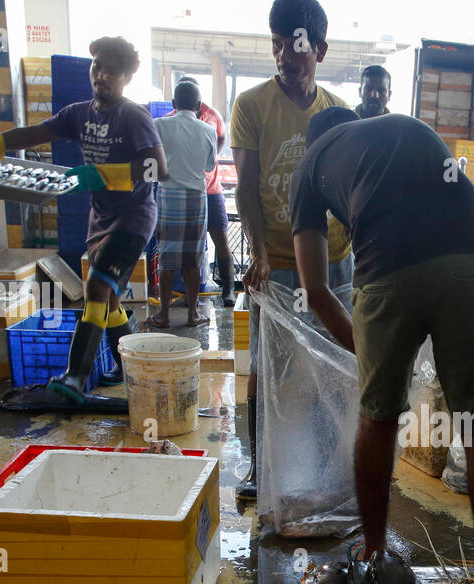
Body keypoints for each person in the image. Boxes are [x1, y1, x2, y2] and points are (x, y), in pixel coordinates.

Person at [289, 108, 474, 557]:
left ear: (316, 140)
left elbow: (314, 289)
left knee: (379, 416)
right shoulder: (402, 125)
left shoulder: (310, 163)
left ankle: (374, 552)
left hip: (387, 271)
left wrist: (369, 356)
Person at [0, 37, 165, 401]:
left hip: (134, 218)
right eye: (97, 67)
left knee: (96, 286)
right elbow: (32, 134)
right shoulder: (79, 113)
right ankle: (128, 365)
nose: (102, 75)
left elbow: (158, 168)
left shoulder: (133, 116)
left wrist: (100, 175)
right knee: (107, 298)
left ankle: (74, 379)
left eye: (112, 70)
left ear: (126, 77)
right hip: (101, 218)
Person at [231, 0, 355, 500]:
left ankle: (329, 469)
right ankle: (261, 470)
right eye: (278, 44)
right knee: (266, 369)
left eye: (297, 45)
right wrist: (258, 252)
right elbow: (245, 187)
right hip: (278, 265)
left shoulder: (336, 111)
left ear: (320, 50)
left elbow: (350, 194)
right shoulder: (251, 105)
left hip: (335, 260)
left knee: (334, 363)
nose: (285, 55)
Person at [152, 79, 217, 328]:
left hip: (169, 195)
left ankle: (164, 315)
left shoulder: (159, 125)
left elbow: (152, 160)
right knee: (193, 259)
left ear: (173, 104)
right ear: (199, 105)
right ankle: (193, 315)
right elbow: (209, 166)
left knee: (167, 258)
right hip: (197, 197)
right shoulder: (208, 130)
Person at [169, 75, 235, 306]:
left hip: (211, 191)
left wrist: (208, 161)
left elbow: (220, 141)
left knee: (221, 240)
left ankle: (228, 290)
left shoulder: (213, 116)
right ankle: (190, 294)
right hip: (185, 192)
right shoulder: (169, 120)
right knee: (188, 247)